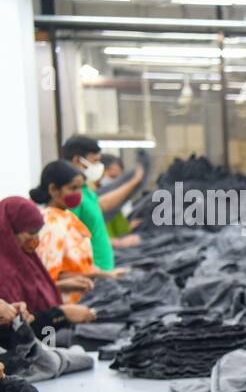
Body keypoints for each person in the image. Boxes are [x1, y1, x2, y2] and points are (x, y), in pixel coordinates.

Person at [0, 197, 96, 332]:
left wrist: (57, 287)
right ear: (9, 231)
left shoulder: (24, 256)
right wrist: (61, 314)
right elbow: (13, 332)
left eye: (38, 232)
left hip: (47, 337)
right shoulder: (4, 272)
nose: (37, 239)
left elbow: (28, 292)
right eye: (31, 233)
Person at [30, 161, 119, 287]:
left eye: (80, 188)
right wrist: (98, 275)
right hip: (70, 300)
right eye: (73, 188)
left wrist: (101, 273)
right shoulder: (51, 223)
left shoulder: (66, 216)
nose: (78, 194)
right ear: (53, 189)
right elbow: (51, 275)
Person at [61, 135, 142, 271]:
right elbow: (71, 240)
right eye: (95, 161)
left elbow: (102, 204)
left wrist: (134, 182)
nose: (99, 167)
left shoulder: (85, 190)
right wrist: (118, 243)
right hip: (91, 275)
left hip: (101, 273)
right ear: (77, 160)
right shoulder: (71, 196)